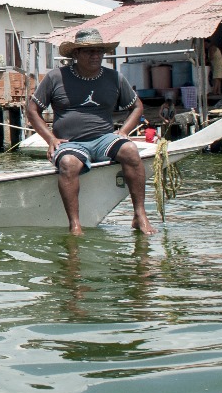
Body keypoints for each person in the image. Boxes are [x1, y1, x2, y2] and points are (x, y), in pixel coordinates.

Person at [26, 27, 157, 236]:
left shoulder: (114, 78)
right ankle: (75, 225)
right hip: (70, 143)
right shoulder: (56, 77)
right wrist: (50, 139)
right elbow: (32, 110)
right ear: (76, 54)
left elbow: (137, 107)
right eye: (89, 51)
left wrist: (123, 131)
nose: (95, 55)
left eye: (99, 51)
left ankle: (139, 214)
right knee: (68, 163)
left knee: (131, 150)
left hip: (104, 139)